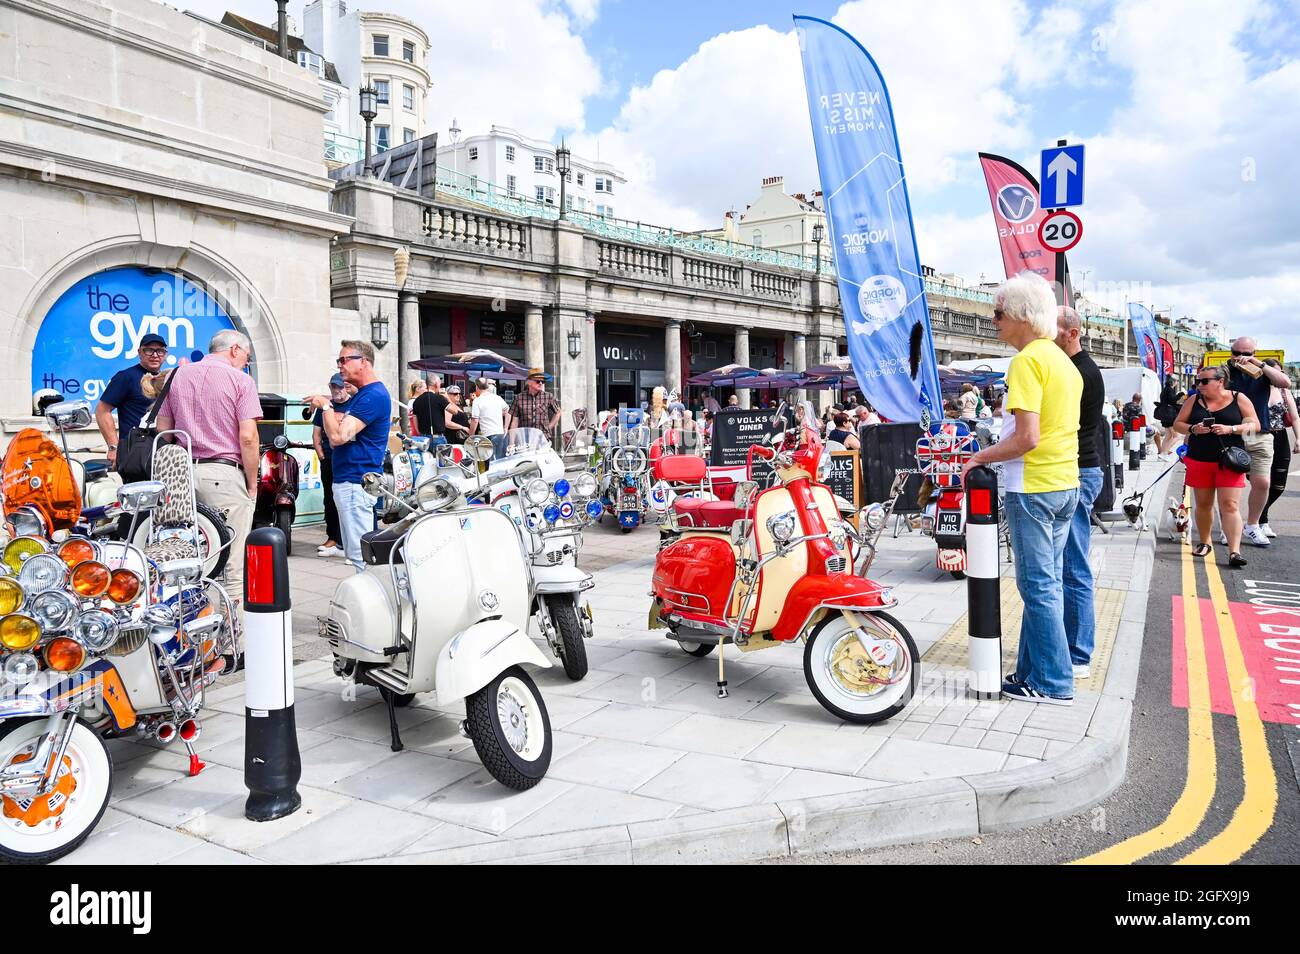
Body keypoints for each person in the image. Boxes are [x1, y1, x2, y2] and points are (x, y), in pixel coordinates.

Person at [962, 273, 1081, 706]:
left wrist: (979, 457)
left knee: (1037, 587)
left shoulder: (1027, 361)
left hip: (1032, 485)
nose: (993, 322)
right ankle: (1033, 674)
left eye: (997, 313)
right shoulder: (1062, 361)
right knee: (1047, 583)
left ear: (1021, 316)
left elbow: (1026, 436)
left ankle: (1053, 682)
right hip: (1064, 483)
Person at [154, 330, 262, 669]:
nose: (247, 361)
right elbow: (247, 437)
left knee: (187, 564)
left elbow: (164, 430)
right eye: (246, 355)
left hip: (182, 474)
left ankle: (188, 644)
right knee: (231, 566)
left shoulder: (177, 376)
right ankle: (230, 650)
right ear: (234, 350)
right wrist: (252, 481)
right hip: (224, 473)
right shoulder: (240, 381)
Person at [307, 340, 391, 573]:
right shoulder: (365, 394)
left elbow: (337, 437)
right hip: (351, 481)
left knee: (362, 559)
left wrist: (325, 407)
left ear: (363, 362)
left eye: (344, 360)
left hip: (355, 482)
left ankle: (370, 606)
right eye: (338, 361)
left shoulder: (372, 395)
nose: (340, 366)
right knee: (358, 555)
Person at [1055, 306, 1106, 680]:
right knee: (1065, 565)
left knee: (1073, 565)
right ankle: (1069, 646)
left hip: (1078, 469)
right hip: (1079, 468)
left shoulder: (1079, 371)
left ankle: (1078, 654)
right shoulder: (1076, 368)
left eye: (1053, 329)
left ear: (1072, 333)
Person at [1171, 363, 1259, 567]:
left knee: (1230, 505)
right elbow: (1178, 424)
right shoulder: (1194, 400)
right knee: (1203, 504)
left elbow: (1255, 426)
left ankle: (1234, 552)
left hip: (1229, 461)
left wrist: (1231, 428)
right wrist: (1193, 428)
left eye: (1204, 381)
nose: (1199, 385)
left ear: (1220, 382)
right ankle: (1205, 542)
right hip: (1200, 459)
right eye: (1198, 381)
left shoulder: (1239, 399)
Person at [1224, 337, 1292, 547]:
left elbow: (1285, 383)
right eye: (1237, 353)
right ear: (1231, 352)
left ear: (1254, 353)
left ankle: (1253, 525)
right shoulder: (1225, 372)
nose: (1241, 358)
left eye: (1247, 354)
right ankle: (1229, 526)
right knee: (1229, 485)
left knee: (1262, 483)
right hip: (1233, 433)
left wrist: (1259, 364)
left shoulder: (1262, 372)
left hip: (1260, 433)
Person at [95, 333, 170, 470]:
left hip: (162, 453)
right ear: (139, 353)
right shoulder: (125, 377)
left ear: (165, 355)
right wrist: (113, 447)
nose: (155, 355)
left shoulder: (168, 378)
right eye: (149, 350)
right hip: (134, 454)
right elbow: (102, 410)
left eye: (160, 351)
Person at [1258, 359, 1300, 538]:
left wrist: (1298, 439)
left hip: (1280, 437)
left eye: (1279, 372)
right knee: (1261, 483)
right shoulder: (1255, 390)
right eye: (1272, 371)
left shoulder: (1284, 391)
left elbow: (1295, 417)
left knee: (1279, 485)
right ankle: (1261, 522)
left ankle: (1259, 516)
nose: (1277, 376)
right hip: (1257, 437)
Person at [312, 374, 352, 557]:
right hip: (328, 459)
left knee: (348, 500)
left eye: (339, 387)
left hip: (346, 460)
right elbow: (316, 434)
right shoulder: (323, 408)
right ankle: (333, 538)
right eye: (333, 387)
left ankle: (347, 540)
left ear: (346, 387)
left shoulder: (353, 405)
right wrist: (321, 456)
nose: (336, 391)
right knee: (330, 499)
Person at [509, 369, 561, 440]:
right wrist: (512, 442)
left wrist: (549, 427)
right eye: (537, 381)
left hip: (543, 437)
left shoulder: (548, 396)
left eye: (543, 381)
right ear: (529, 382)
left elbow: (558, 412)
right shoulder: (519, 398)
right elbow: (515, 421)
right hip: (524, 438)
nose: (540, 383)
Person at [468, 377, 510, 457]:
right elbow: (508, 412)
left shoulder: (477, 400)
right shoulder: (497, 398)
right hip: (500, 433)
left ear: (477, 387)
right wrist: (506, 427)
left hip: (488, 435)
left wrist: (470, 436)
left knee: (490, 464)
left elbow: (475, 421)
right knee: (501, 462)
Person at [412, 374, 448, 445]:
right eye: (440, 383)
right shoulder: (440, 398)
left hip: (423, 437)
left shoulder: (417, 400)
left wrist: (419, 432)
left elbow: (414, 418)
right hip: (437, 437)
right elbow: (454, 411)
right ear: (436, 384)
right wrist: (447, 397)